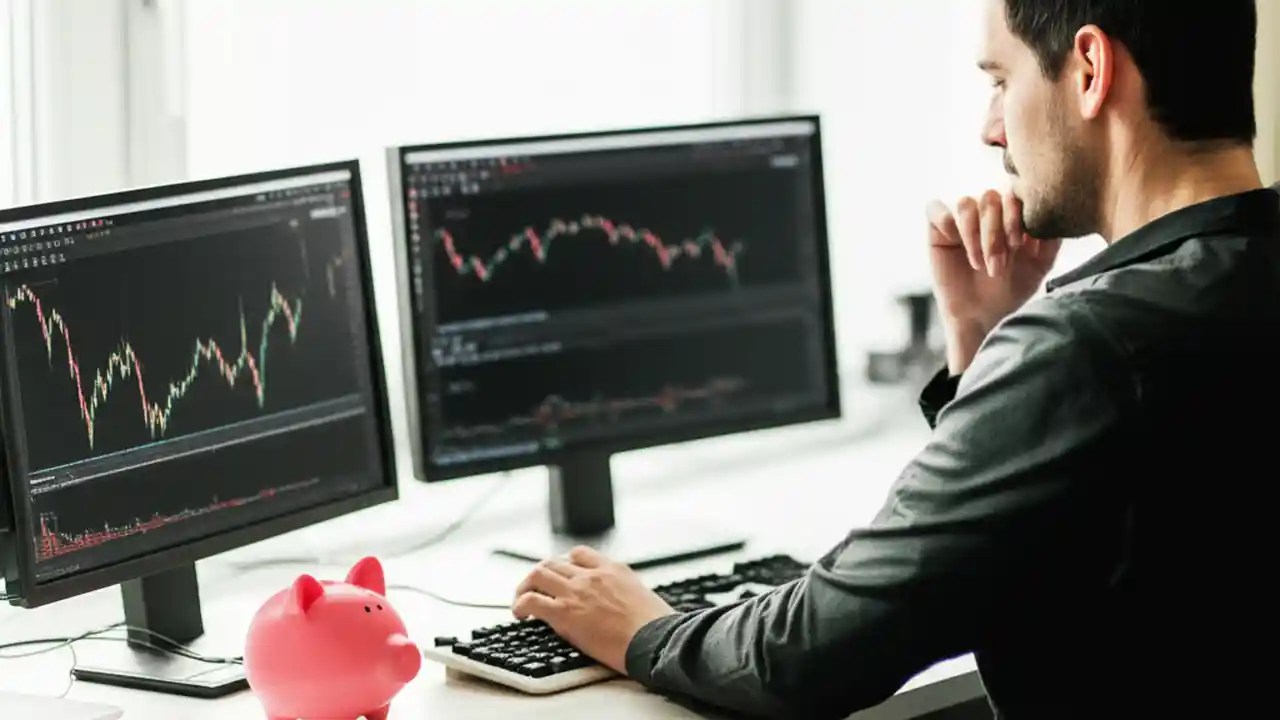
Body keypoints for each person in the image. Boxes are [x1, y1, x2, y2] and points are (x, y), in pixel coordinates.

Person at [511, 1, 1278, 717]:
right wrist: (982, 335)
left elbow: (808, 655)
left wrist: (645, 628)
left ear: (1088, 69)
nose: (991, 128)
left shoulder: (1087, 346)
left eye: (1000, 81)